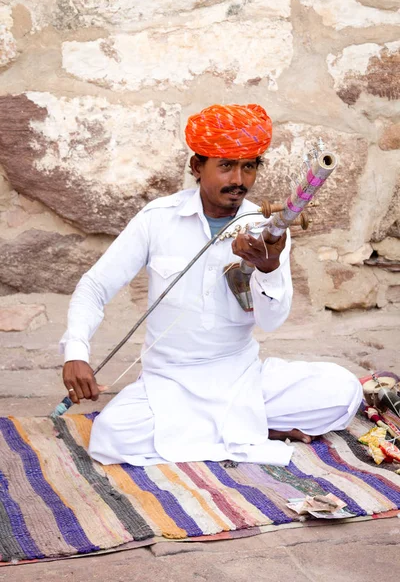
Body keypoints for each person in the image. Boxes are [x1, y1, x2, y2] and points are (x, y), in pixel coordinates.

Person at [60, 104, 362, 467]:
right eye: (226, 165)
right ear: (196, 167)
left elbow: (270, 322)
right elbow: (95, 286)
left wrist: (268, 269)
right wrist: (75, 352)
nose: (239, 179)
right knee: (111, 436)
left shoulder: (269, 229)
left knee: (343, 392)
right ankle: (251, 434)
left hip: (241, 376)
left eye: (248, 165)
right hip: (170, 382)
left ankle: (223, 429)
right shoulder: (158, 219)